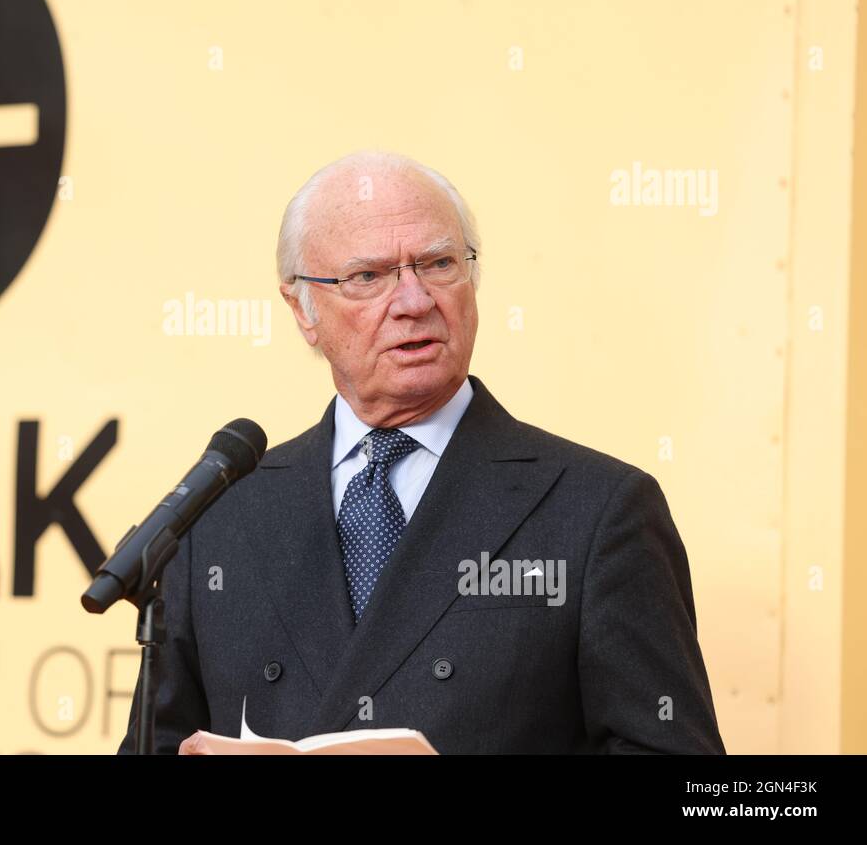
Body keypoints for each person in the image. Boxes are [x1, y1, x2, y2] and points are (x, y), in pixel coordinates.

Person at [117, 150, 725, 754]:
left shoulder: (597, 512)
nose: (413, 300)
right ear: (303, 308)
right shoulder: (222, 517)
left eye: (438, 264)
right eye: (368, 277)